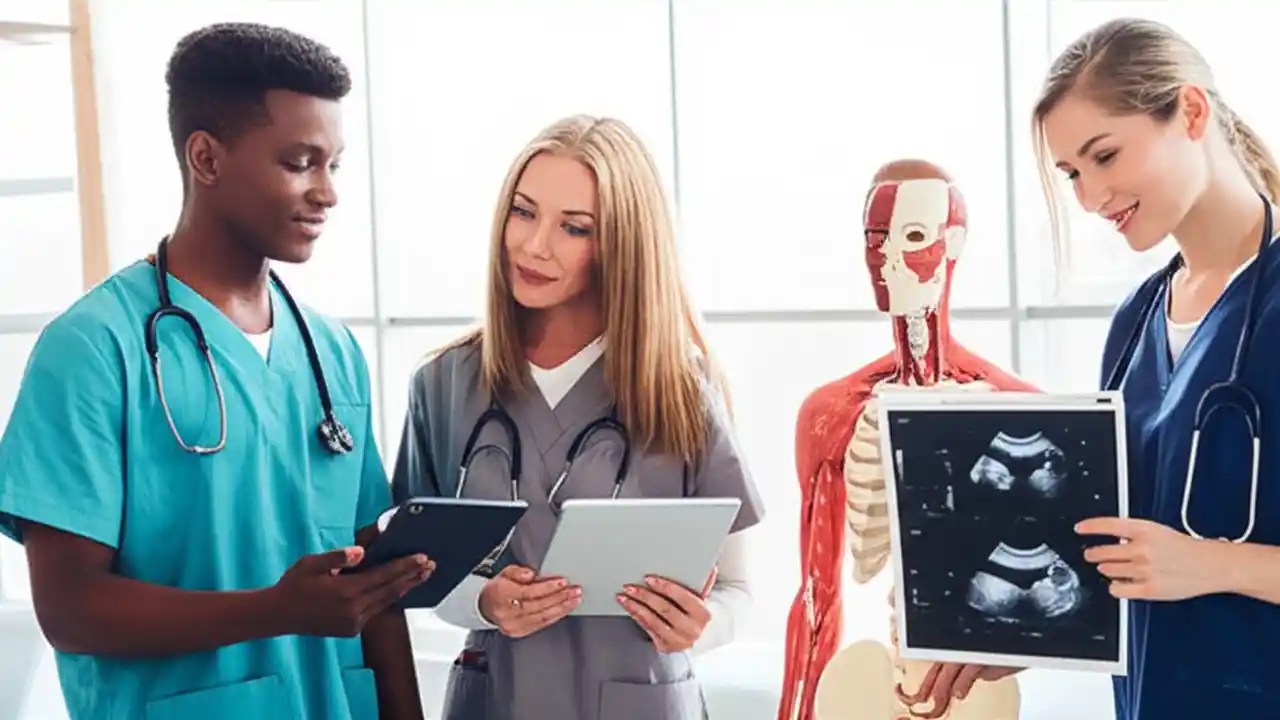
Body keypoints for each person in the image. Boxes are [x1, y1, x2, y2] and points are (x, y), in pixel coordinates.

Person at [0, 23, 429, 720]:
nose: (327, 193)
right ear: (205, 157)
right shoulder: (91, 350)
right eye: (299, 162)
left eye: (334, 165)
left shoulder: (331, 353)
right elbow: (70, 609)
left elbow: (369, 589)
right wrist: (274, 610)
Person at [390, 114, 765, 720]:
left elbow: (738, 593)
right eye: (523, 212)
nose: (535, 245)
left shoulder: (678, 389)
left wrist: (703, 624)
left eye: (574, 228)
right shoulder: (444, 383)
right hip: (495, 699)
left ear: (622, 242)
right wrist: (482, 602)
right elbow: (410, 572)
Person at [1030, 16, 1280, 720]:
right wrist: (1007, 634)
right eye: (1072, 173)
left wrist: (1215, 566)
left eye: (1105, 156)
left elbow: (1184, 560)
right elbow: (1124, 550)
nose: (1088, 197)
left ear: (1191, 112)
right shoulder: (1136, 322)